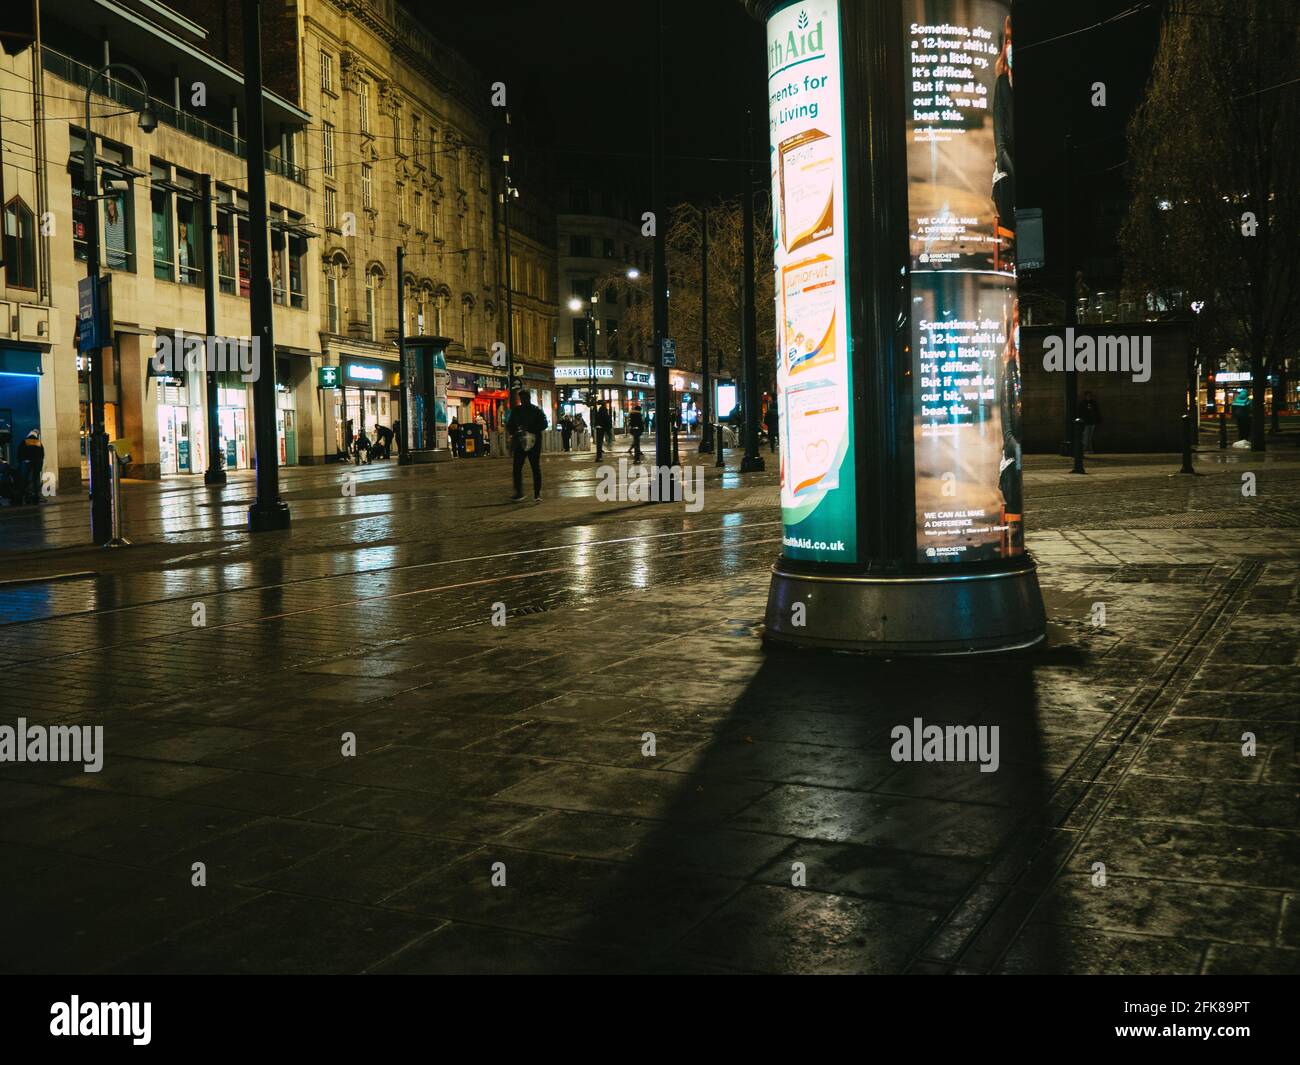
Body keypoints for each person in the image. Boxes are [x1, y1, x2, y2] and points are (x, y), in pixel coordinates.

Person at [507, 389, 547, 501]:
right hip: (521, 441)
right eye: (521, 398)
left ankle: (536, 494)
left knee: (534, 468)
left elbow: (544, 424)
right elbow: (510, 425)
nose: (523, 400)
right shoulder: (518, 410)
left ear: (528, 398)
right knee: (517, 468)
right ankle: (520, 492)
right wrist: (514, 432)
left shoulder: (535, 410)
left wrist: (528, 429)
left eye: (524, 398)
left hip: (533, 442)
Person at [15, 429, 44, 505]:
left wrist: (22, 460)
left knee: (24, 480)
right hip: (36, 464)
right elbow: (42, 455)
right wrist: (39, 467)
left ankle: (21, 498)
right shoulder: (38, 442)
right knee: (35, 480)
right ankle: (35, 498)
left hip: (27, 464)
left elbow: (19, 453)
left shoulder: (24, 441)